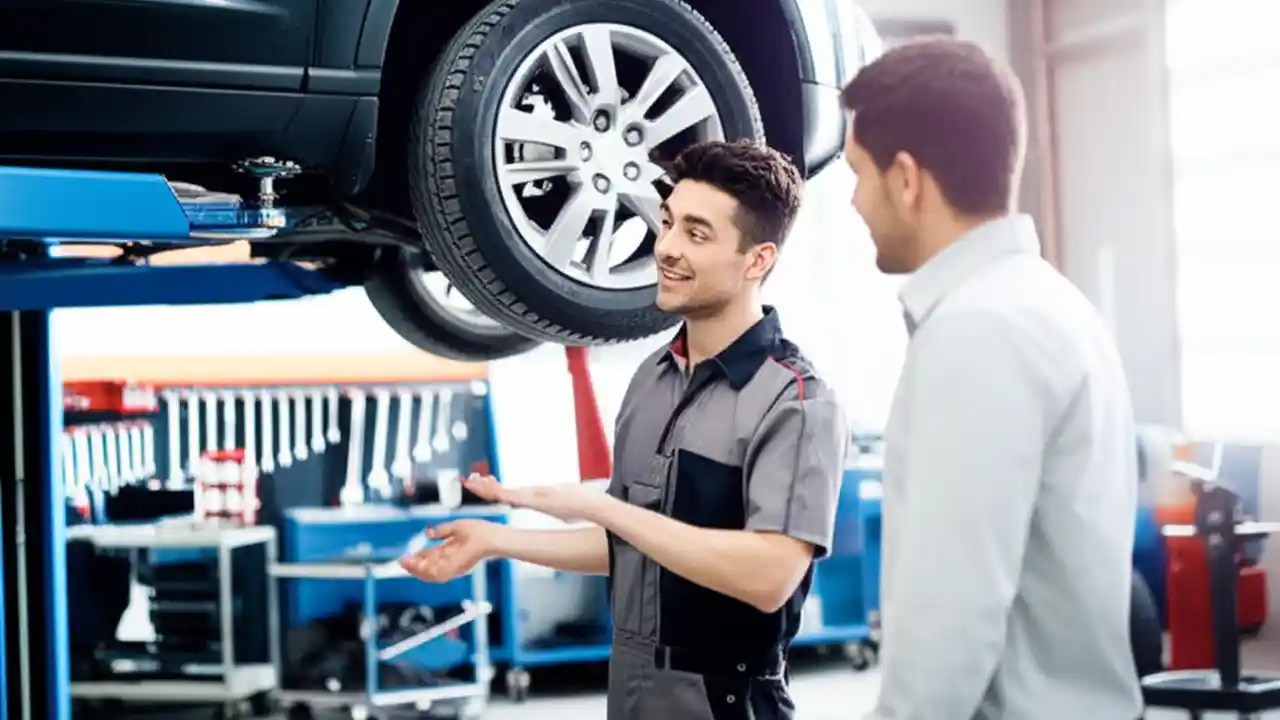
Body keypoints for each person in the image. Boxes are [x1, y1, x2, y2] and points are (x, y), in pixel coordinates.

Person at [401, 139, 850, 719]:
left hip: (724, 701)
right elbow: (635, 551)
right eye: (667, 223)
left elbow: (769, 576)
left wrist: (603, 508)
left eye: (696, 233)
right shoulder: (653, 379)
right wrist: (498, 542)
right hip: (633, 691)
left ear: (757, 260)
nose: (665, 247)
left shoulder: (796, 400)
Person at [840, 38, 1143, 719]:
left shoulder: (977, 333)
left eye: (859, 173)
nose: (855, 202)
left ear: (908, 179)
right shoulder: (1049, 304)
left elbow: (949, 627)